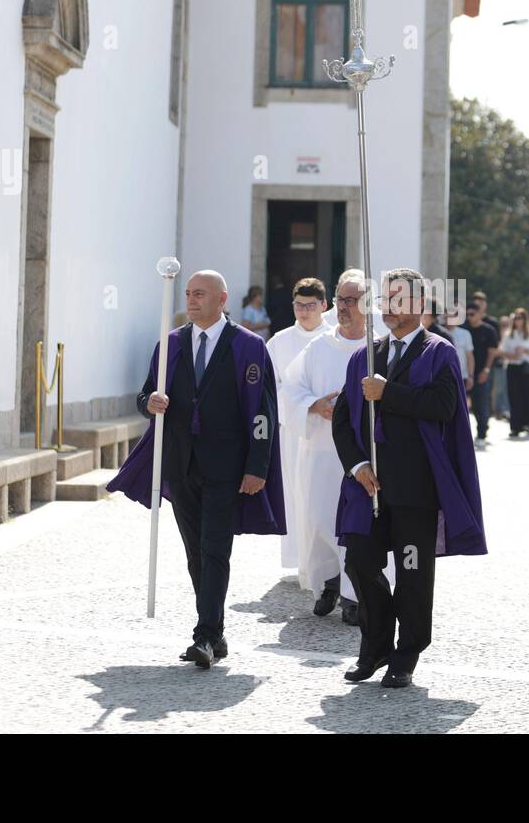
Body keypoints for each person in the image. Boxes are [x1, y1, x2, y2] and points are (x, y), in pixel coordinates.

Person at [107, 270, 285, 668]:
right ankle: (215, 631)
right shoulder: (169, 344)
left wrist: (258, 465)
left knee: (215, 549)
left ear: (222, 299)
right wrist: (148, 402)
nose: (191, 300)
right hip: (180, 464)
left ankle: (204, 636)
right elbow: (146, 392)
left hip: (227, 466)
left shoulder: (248, 346)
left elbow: (263, 412)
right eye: (188, 293)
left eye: (200, 294)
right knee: (194, 554)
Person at [332, 268, 486, 688]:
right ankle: (376, 643)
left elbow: (443, 406)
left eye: (396, 298)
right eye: (383, 298)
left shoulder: (439, 352)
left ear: (419, 304)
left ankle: (408, 651)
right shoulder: (363, 355)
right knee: (360, 562)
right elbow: (343, 420)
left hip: (417, 488)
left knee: (413, 572)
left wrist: (389, 394)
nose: (386, 306)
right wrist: (357, 465)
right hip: (368, 485)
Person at [279, 271, 393, 624]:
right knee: (317, 520)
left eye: (350, 300)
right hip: (320, 450)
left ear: (368, 306)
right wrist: (313, 405)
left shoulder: (380, 349)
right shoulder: (320, 346)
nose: (342, 307)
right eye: (340, 300)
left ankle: (354, 594)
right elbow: (289, 390)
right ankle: (326, 583)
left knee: (357, 525)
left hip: (362, 456)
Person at [266, 278, 330, 574]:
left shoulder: (335, 339)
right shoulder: (279, 341)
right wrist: (305, 405)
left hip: (329, 430)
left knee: (324, 493)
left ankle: (329, 561)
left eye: (310, 306)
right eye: (299, 306)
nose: (304, 312)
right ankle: (297, 559)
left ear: (323, 306)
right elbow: (270, 388)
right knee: (293, 492)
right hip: (292, 428)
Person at [501, 307, 529, 437]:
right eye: (515, 318)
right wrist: (512, 355)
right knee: (514, 397)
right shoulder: (509, 334)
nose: (517, 321)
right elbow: (502, 352)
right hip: (513, 368)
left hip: (528, 368)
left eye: (520, 318)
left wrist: (524, 350)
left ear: (525, 320)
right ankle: (516, 426)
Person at [465, 301, 499, 449]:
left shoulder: (489, 330)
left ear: (480, 314)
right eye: (467, 315)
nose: (469, 317)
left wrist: (486, 370)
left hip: (482, 373)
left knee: (481, 406)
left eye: (472, 314)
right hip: (465, 374)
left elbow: (492, 352)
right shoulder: (463, 329)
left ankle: (481, 434)